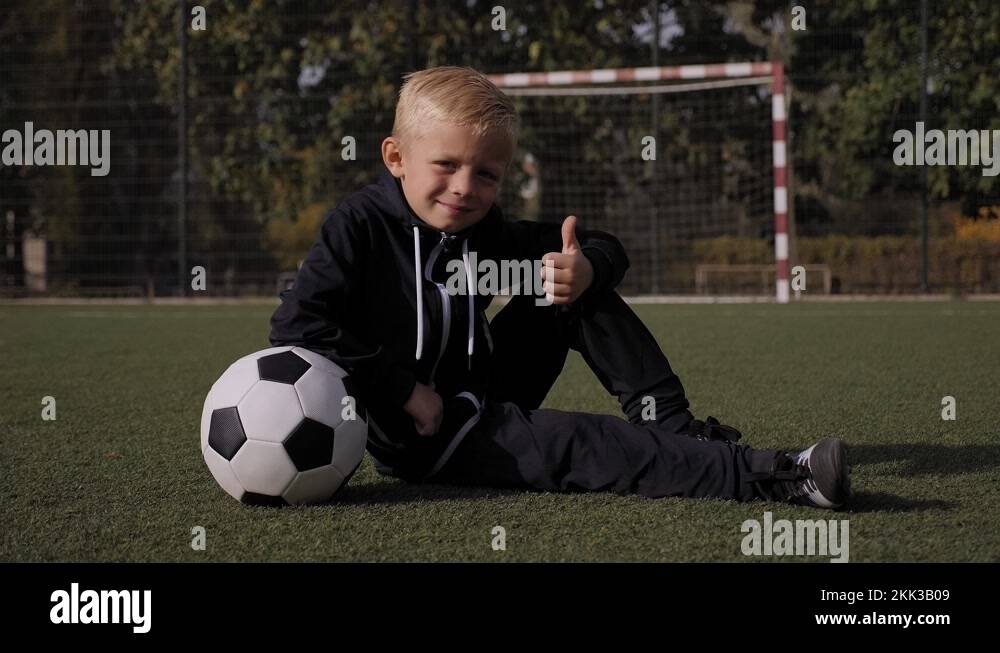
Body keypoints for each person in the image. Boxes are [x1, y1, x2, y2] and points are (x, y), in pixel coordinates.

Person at [269, 66, 851, 509]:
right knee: (583, 443)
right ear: (396, 158)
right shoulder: (359, 226)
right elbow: (298, 326)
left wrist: (590, 268)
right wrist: (402, 391)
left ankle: (673, 429)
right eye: (445, 165)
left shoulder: (481, 227)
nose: (465, 187)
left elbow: (600, 243)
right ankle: (778, 476)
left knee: (565, 278)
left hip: (485, 389)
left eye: (486, 174)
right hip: (432, 432)